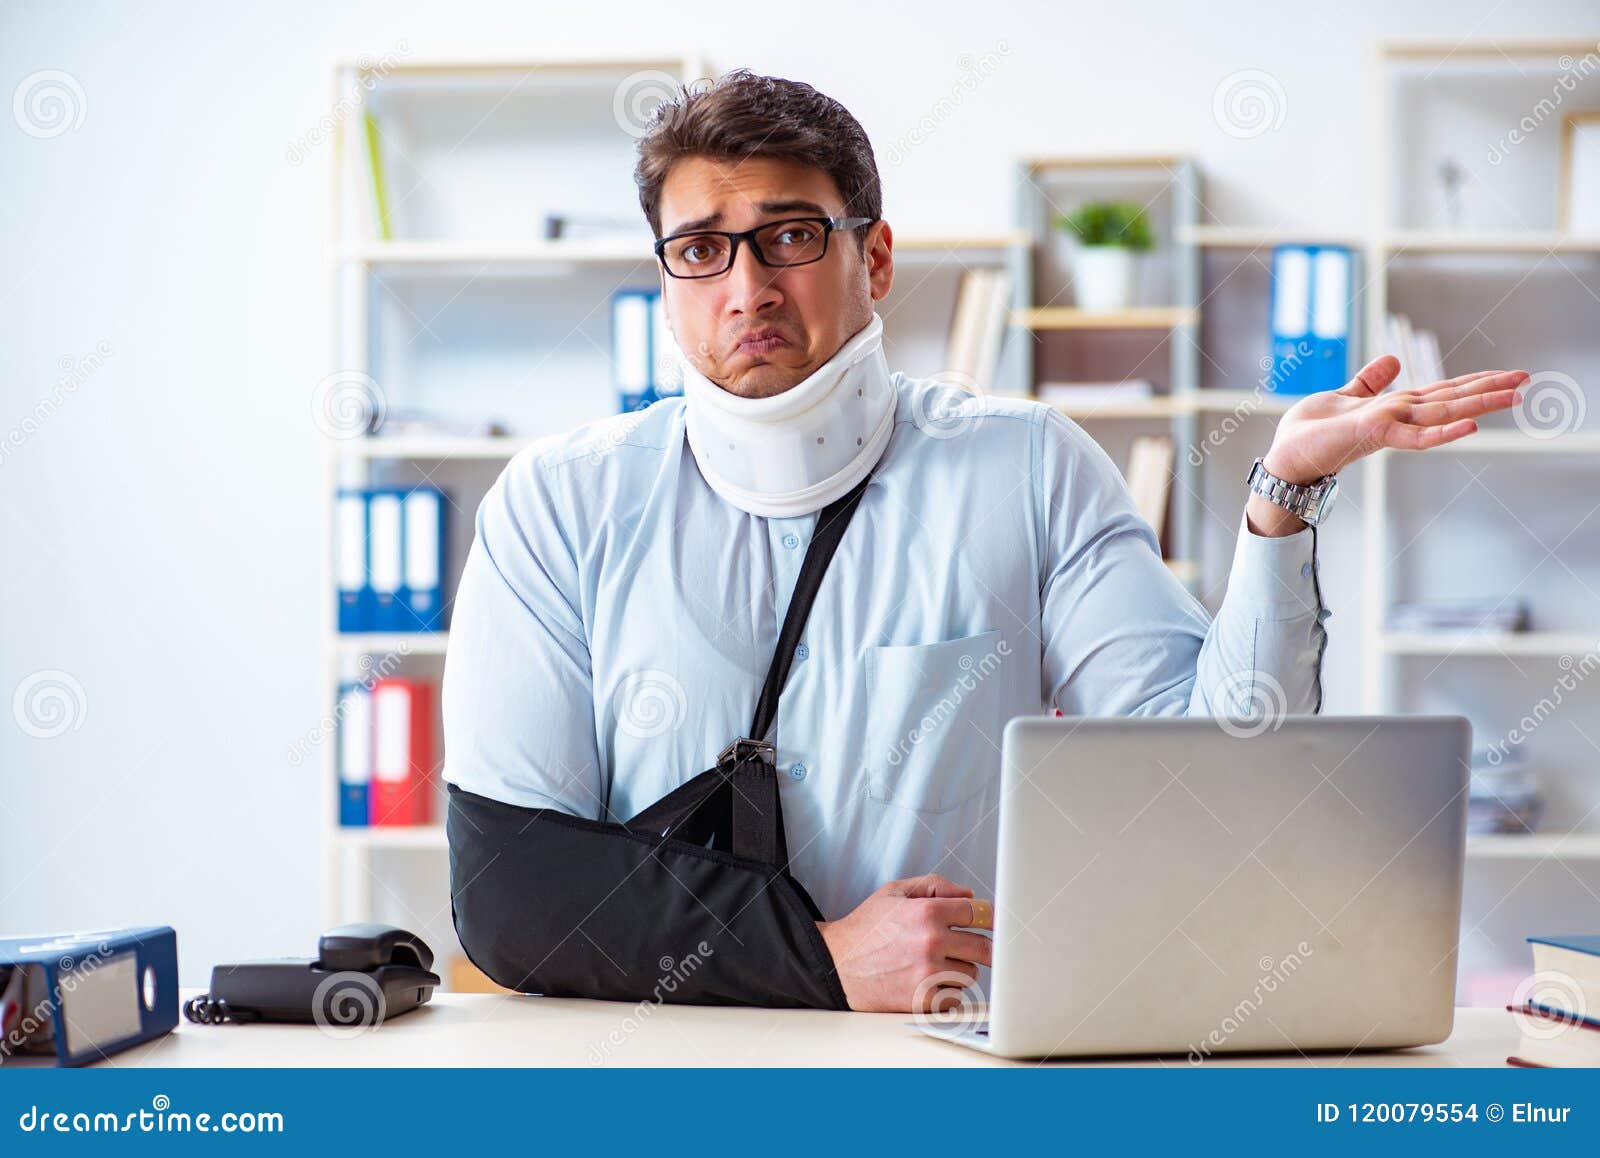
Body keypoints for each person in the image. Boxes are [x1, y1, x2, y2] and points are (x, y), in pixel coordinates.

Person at [442, 70, 1526, 1013]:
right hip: (665, 1070)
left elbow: (1217, 769)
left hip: (944, 1062)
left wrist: (1279, 499)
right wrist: (817, 962)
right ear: (666, 284)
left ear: (874, 261)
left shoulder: (1029, 467)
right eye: (699, 250)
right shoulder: (557, 502)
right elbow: (512, 888)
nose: (747, 287)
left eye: (790, 235)